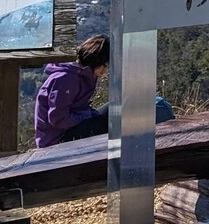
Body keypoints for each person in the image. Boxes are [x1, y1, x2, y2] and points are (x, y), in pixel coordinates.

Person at [33, 34, 174, 147]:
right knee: (113, 120)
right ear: (96, 60)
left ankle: (160, 110)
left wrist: (88, 115)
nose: (105, 71)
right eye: (105, 66)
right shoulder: (66, 79)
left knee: (117, 109)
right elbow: (58, 119)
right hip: (57, 140)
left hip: (70, 129)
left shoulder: (81, 74)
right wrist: (87, 116)